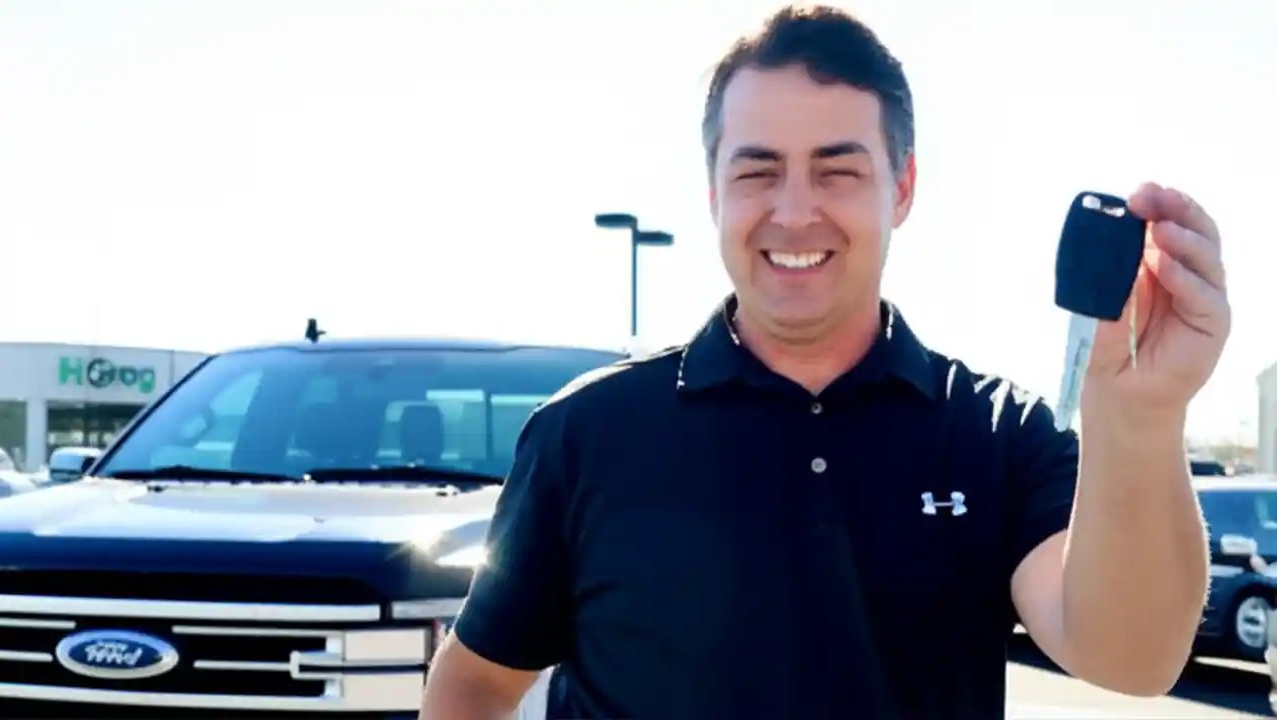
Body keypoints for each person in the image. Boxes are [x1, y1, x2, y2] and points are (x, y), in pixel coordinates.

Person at [420, 5, 1230, 719]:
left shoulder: (995, 434)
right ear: (713, 192)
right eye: (758, 170)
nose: (795, 211)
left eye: (838, 170)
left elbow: (1133, 659)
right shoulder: (584, 433)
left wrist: (1140, 417)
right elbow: (475, 684)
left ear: (902, 188)